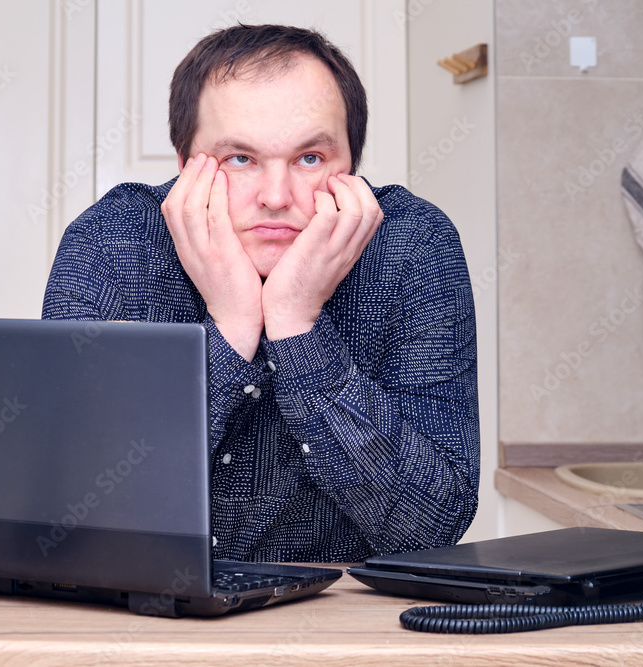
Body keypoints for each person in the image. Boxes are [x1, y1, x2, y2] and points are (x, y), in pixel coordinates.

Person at [42, 24, 479, 563]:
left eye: (310, 158)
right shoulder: (115, 241)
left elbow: (433, 526)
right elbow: (74, 513)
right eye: (240, 159)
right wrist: (229, 328)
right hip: (141, 602)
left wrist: (298, 327)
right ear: (184, 165)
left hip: (343, 611)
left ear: (352, 167)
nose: (276, 197)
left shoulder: (413, 245)